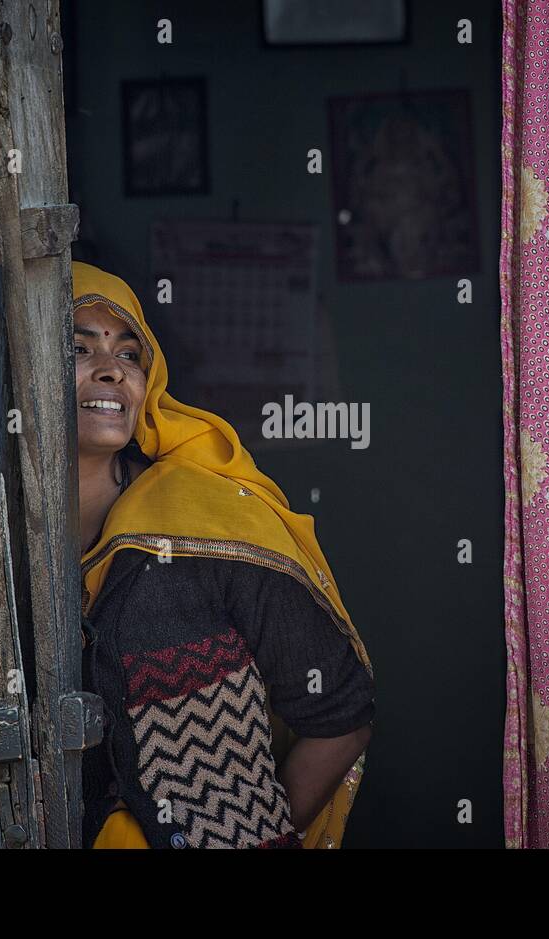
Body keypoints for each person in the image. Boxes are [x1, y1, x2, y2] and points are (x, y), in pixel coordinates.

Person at [72, 261, 374, 849]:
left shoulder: (210, 526)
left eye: (130, 355)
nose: (111, 370)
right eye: (78, 350)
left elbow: (340, 715)